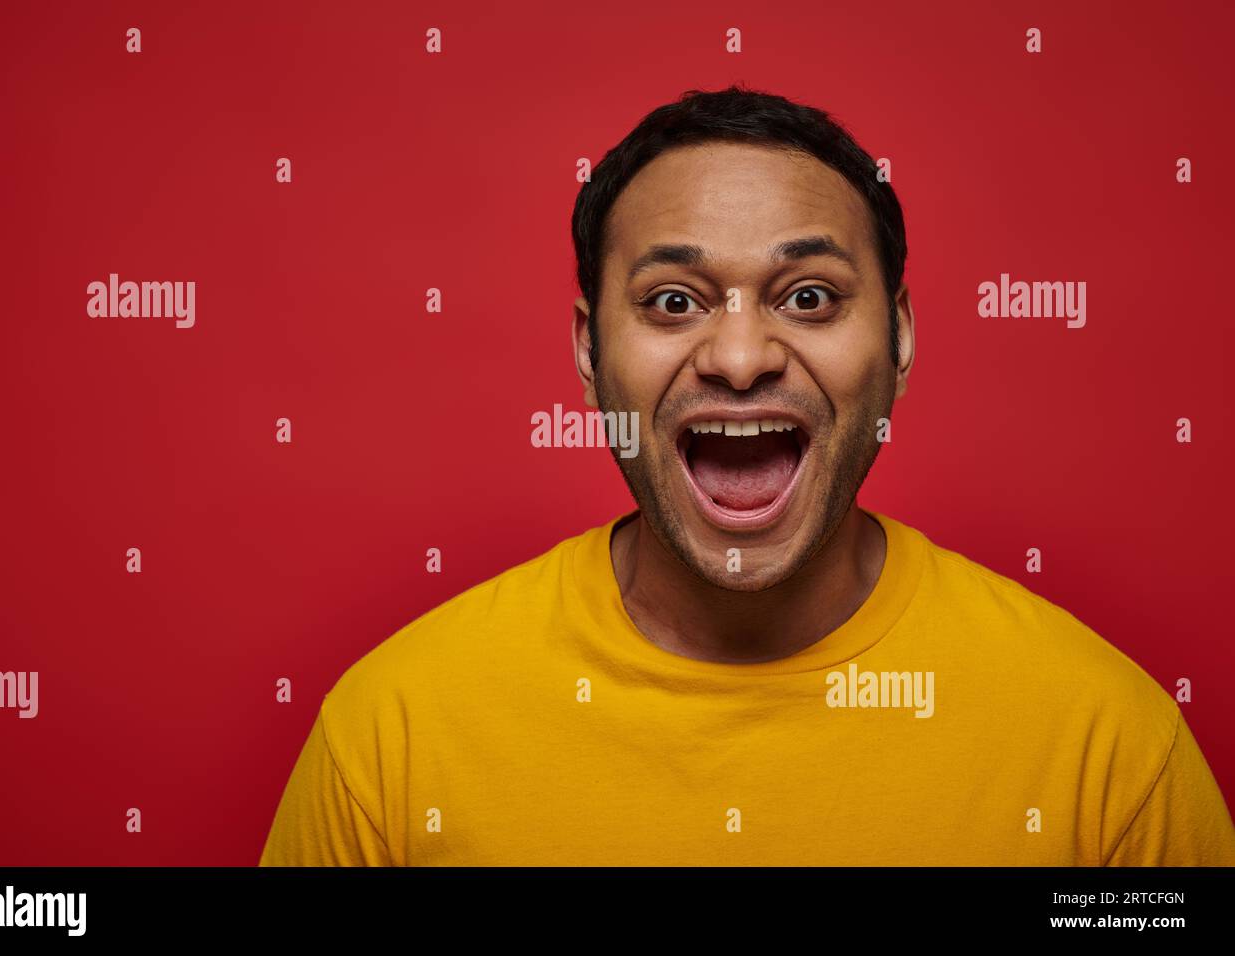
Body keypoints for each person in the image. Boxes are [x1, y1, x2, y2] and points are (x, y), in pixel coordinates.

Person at [259, 86, 1235, 866]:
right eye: (672, 300)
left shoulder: (1106, 749)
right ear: (589, 350)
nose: (737, 357)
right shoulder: (390, 738)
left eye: (807, 296)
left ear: (895, 336)